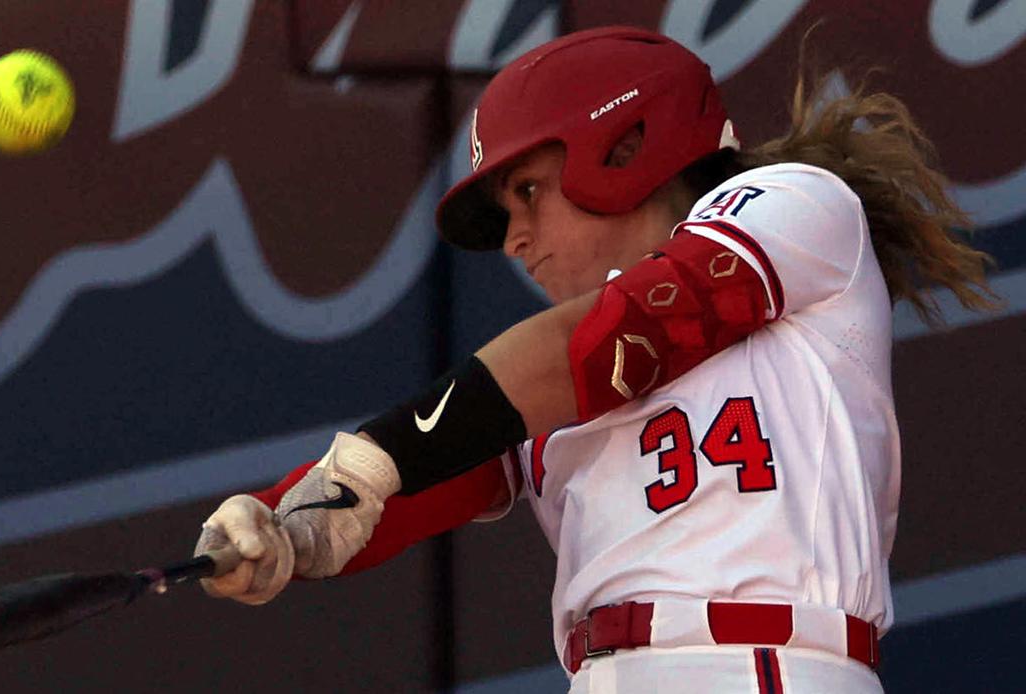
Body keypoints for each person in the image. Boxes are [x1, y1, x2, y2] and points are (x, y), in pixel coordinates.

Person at [193, 26, 996, 693]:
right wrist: (282, 524)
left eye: (528, 191)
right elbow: (422, 481)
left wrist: (373, 458)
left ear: (628, 142)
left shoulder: (794, 206)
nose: (513, 237)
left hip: (768, 665)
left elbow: (624, 333)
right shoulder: (548, 374)